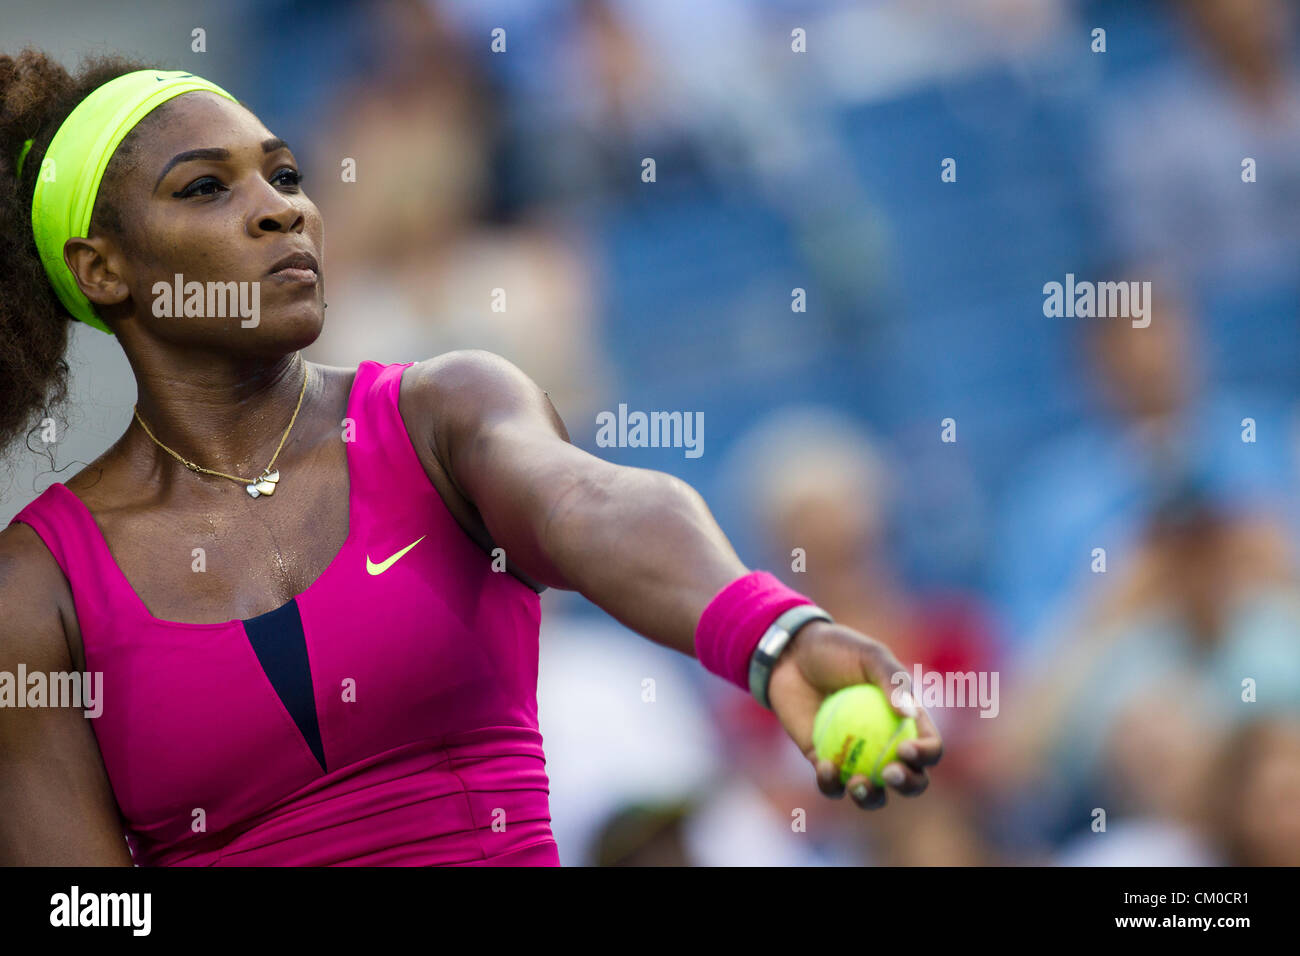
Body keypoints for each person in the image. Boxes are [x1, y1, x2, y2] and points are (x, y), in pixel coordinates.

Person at [0, 51, 940, 865]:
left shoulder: (447, 410)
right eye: (207, 187)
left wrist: (766, 632)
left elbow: (589, 503)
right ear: (102, 270)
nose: (279, 212)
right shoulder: (33, 590)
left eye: (285, 176)